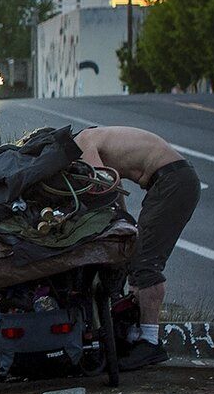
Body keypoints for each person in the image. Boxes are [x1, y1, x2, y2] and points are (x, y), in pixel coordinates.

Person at [73, 126, 200, 370]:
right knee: (135, 255)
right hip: (170, 181)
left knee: (145, 262)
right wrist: (123, 219)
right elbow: (114, 185)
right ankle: (135, 335)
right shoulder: (95, 138)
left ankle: (150, 343)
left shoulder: (82, 141)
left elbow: (103, 183)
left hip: (172, 180)